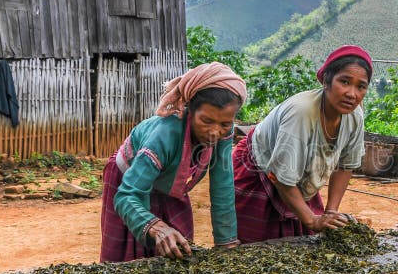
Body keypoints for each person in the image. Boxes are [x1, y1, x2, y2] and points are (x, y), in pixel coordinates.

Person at [100, 62, 246, 262]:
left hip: (171, 181)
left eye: (225, 123)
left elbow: (223, 186)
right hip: (130, 177)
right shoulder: (164, 136)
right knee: (134, 252)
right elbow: (126, 196)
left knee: (179, 246)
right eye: (206, 121)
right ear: (189, 110)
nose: (215, 132)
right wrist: (155, 227)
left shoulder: (224, 133)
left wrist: (226, 242)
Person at [233, 45, 371, 243]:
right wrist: (311, 220)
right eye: (344, 82)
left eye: (361, 86)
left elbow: (345, 166)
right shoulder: (301, 114)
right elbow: (280, 177)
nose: (352, 94)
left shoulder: (355, 116)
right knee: (260, 248)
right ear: (326, 81)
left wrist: (330, 211)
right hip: (260, 171)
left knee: (305, 243)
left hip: (299, 177)